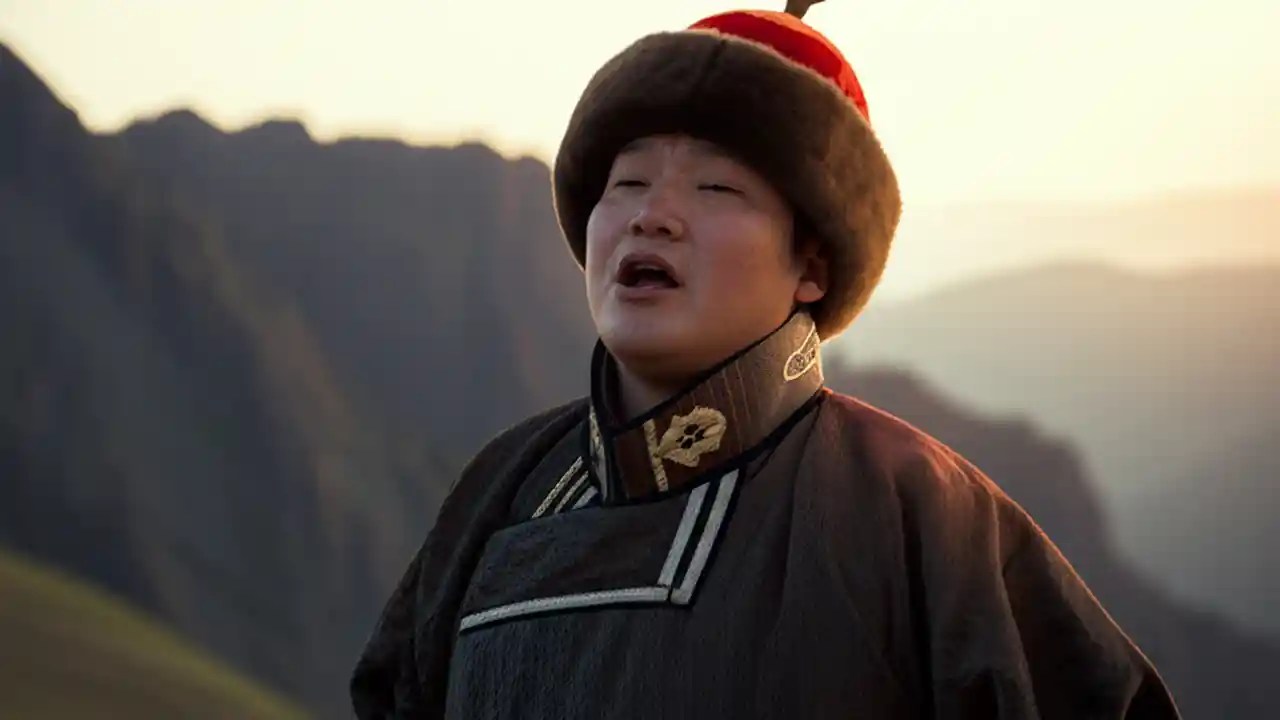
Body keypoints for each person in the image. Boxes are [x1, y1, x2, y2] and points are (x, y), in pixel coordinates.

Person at [351, 6, 1181, 718]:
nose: (652, 216)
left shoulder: (921, 511)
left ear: (811, 266)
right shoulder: (502, 493)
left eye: (716, 189)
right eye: (628, 182)